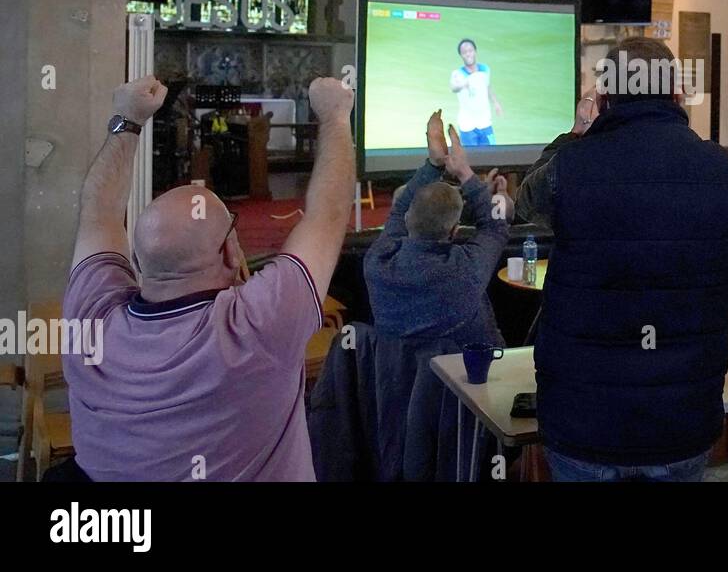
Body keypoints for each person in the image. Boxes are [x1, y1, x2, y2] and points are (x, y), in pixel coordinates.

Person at [61, 75, 355, 481]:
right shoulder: (255, 327)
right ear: (231, 252)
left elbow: (99, 213)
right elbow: (330, 213)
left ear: (136, 261)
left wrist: (127, 119)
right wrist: (337, 117)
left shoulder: (89, 318)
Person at [515, 39, 728, 482]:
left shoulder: (572, 165)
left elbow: (526, 202)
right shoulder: (720, 170)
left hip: (584, 421)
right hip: (681, 421)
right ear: (677, 95)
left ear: (606, 97)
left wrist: (575, 133)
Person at [364, 110, 512, 347]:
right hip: (470, 379)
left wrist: (434, 164)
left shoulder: (378, 262)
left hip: (394, 381)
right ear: (454, 230)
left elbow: (398, 210)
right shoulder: (466, 268)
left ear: (408, 219)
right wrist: (465, 172)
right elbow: (496, 227)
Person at [449, 38, 503, 146]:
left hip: (485, 122)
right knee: (471, 159)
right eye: (464, 52)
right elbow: (454, 88)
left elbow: (487, 87)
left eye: (470, 50)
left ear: (475, 51)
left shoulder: (485, 69)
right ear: (461, 55)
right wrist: (463, 84)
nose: (468, 54)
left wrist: (496, 103)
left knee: (491, 155)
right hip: (467, 125)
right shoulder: (457, 74)